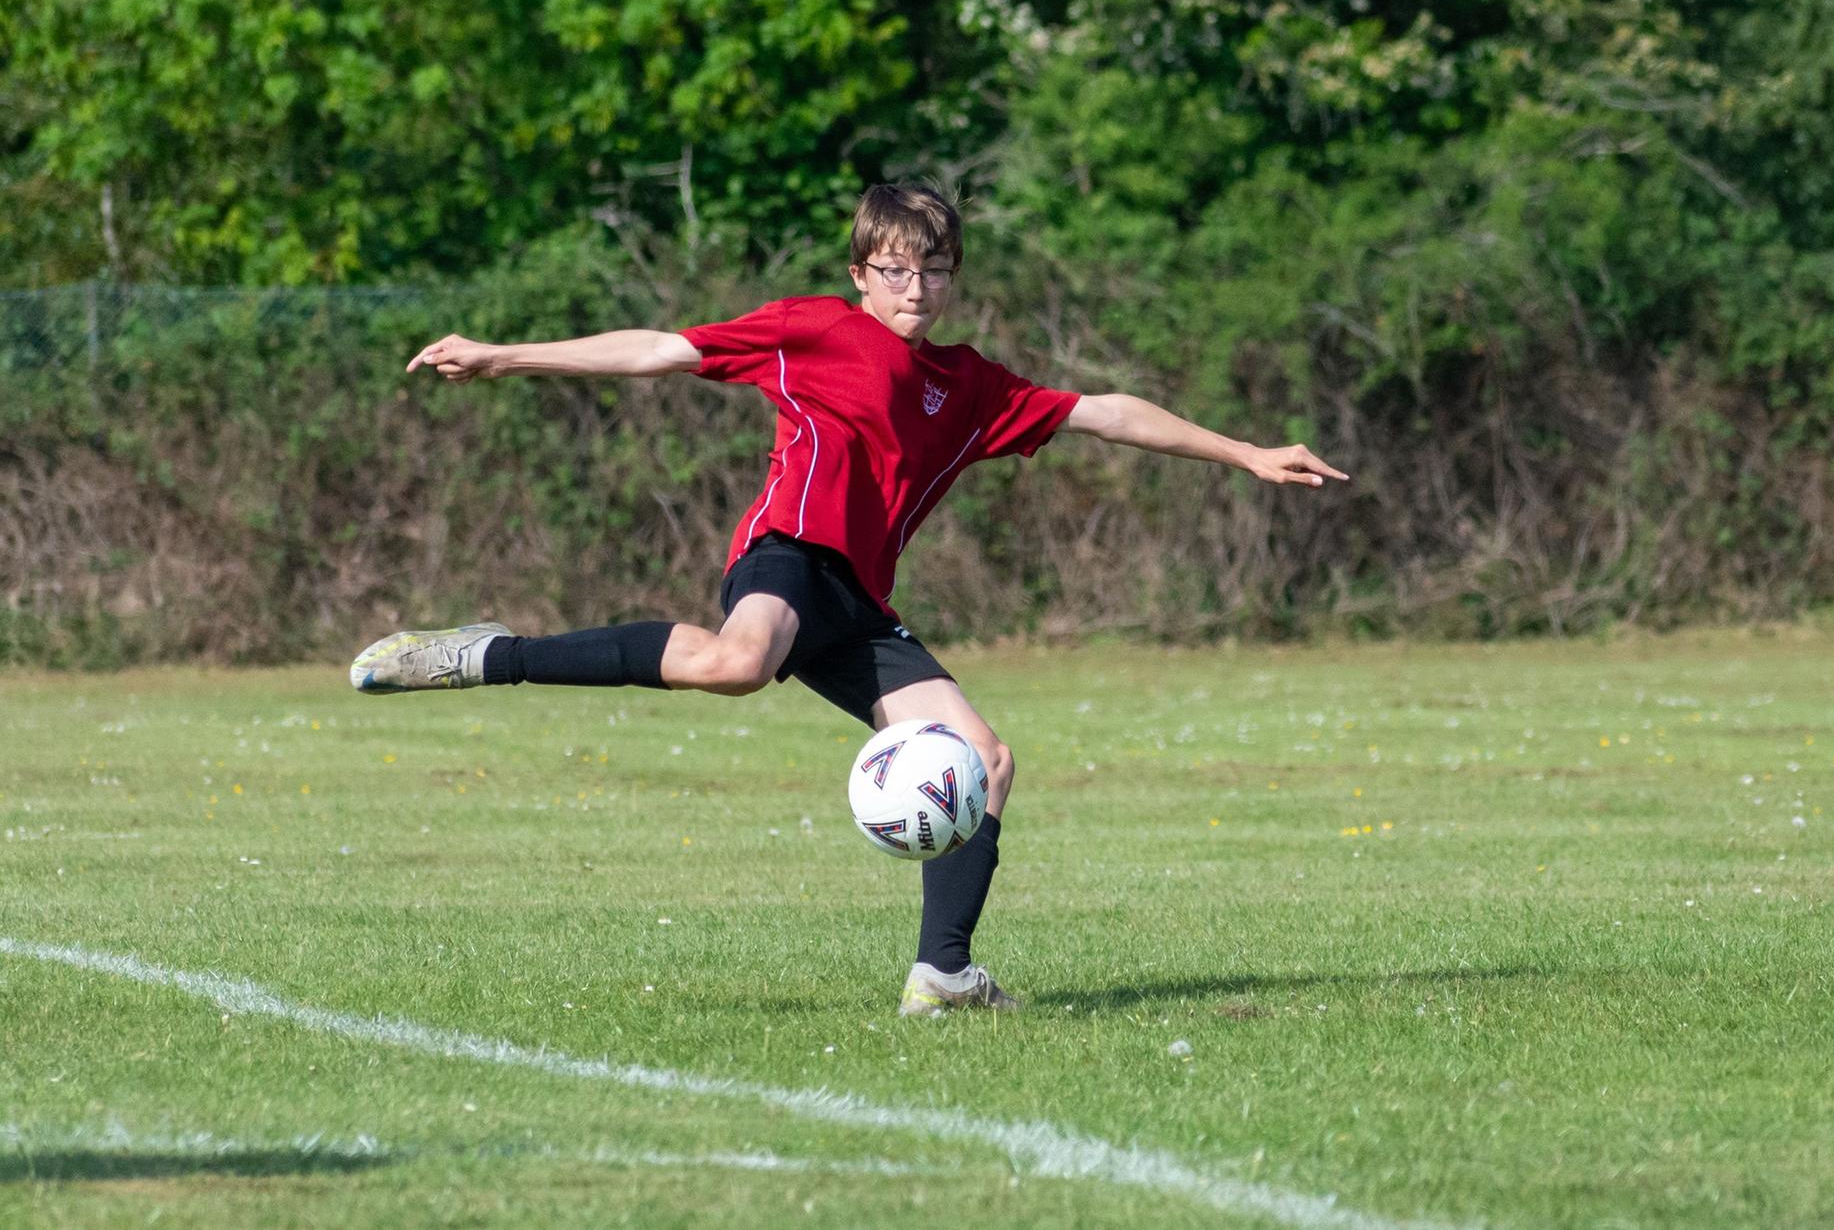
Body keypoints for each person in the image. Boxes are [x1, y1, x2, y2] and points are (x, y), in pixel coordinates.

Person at [350, 183, 1345, 1016]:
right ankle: (490, 653)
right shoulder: (813, 328)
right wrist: (503, 353)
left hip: (858, 603)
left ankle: (942, 974)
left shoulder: (969, 386)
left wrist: (1245, 452)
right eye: (895, 268)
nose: (916, 287)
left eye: (935, 269)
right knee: (735, 663)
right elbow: (659, 348)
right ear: (861, 272)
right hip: (789, 555)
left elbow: (1105, 411)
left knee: (986, 759)